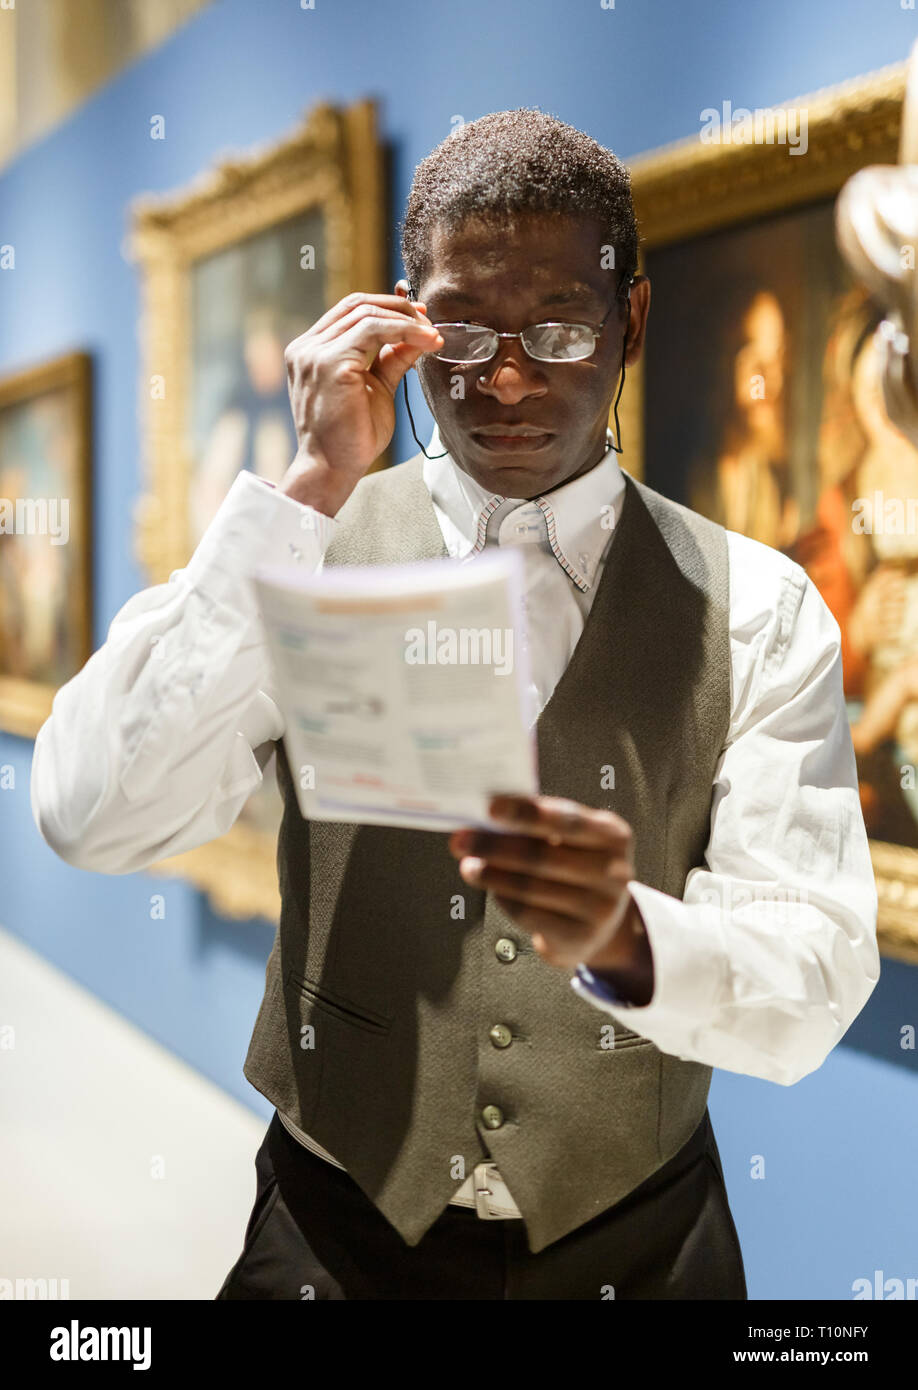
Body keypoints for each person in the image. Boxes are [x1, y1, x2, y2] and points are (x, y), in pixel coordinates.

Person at [30, 109, 879, 1300]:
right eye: (466, 333)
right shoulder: (310, 545)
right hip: (335, 1229)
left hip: (636, 1242)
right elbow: (88, 810)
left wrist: (630, 934)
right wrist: (308, 485)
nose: (510, 378)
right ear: (403, 318)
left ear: (630, 321)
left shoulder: (759, 607)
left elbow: (817, 968)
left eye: (560, 328)